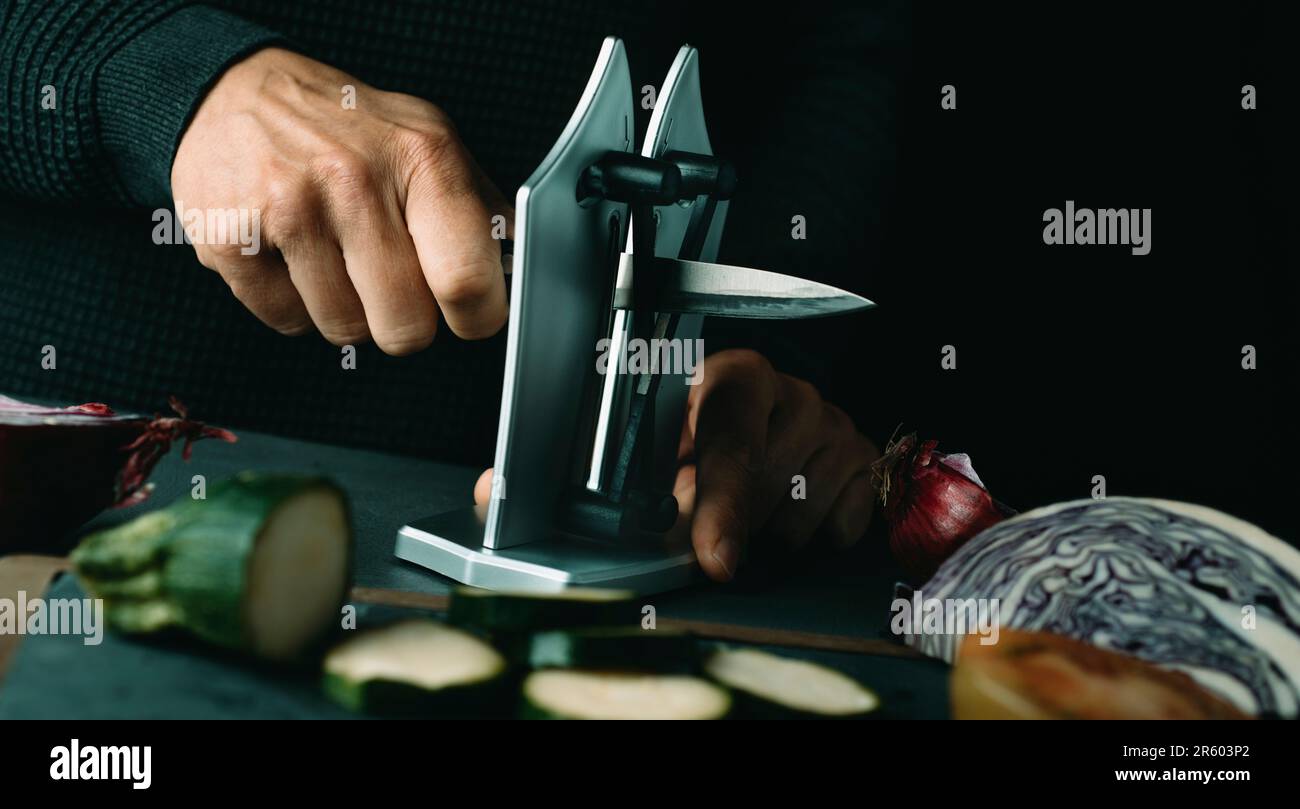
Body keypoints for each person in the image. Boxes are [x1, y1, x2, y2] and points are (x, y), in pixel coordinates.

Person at [0, 1, 905, 581]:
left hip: (588, 505)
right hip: (78, 492)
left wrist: (758, 368)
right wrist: (165, 80)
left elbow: (841, 51)